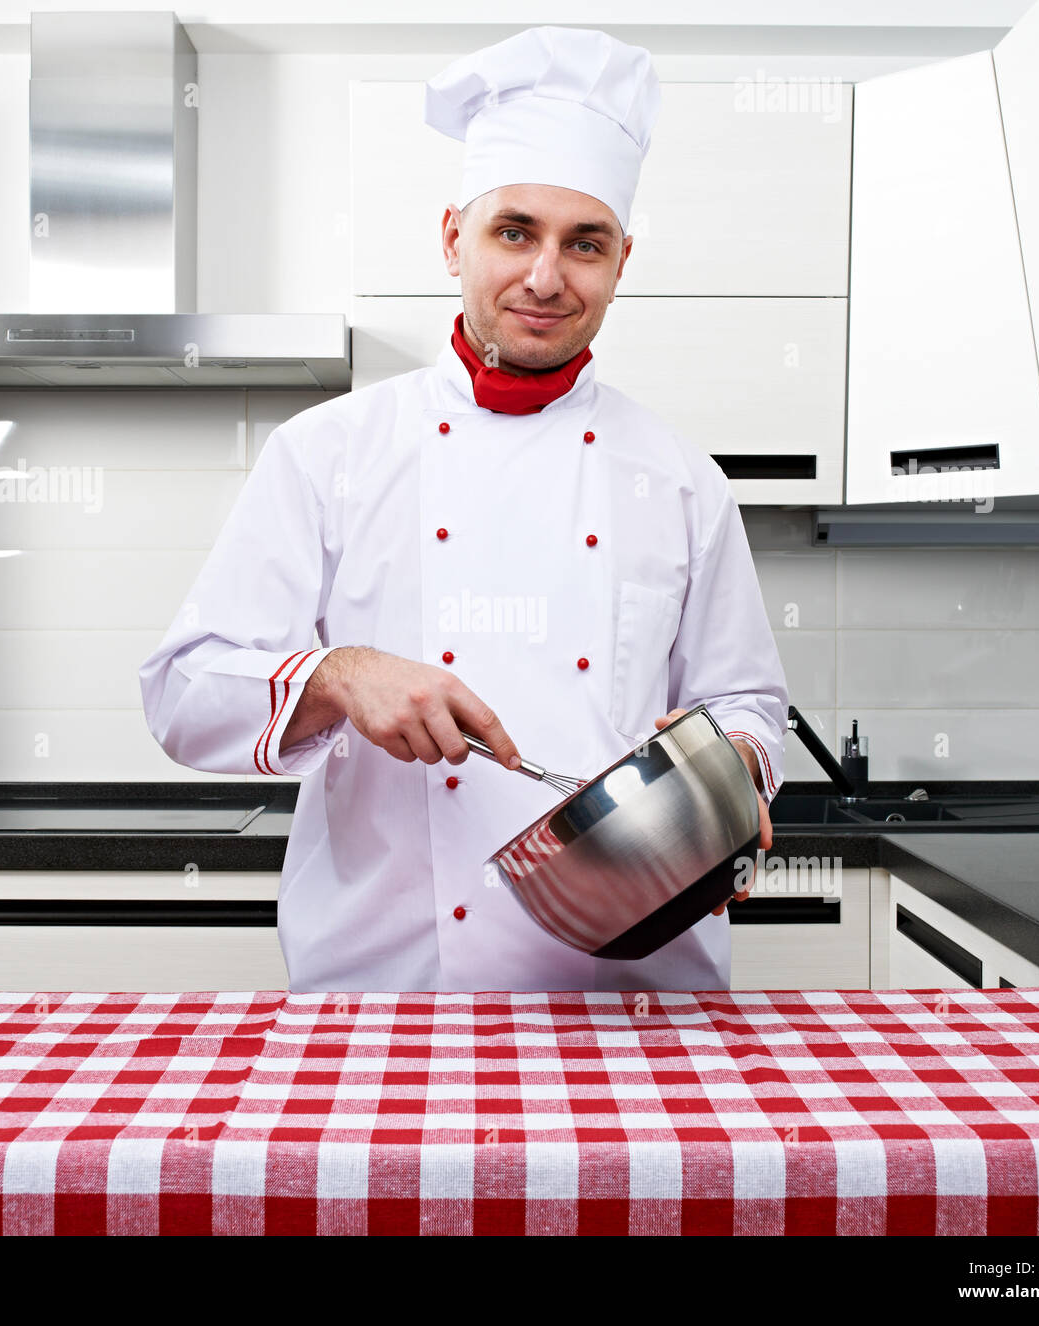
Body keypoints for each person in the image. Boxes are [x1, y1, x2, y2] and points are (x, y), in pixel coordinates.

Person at [139, 26, 788, 993]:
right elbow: (184, 693)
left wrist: (730, 765)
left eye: (585, 244)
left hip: (635, 995)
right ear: (453, 239)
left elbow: (747, 703)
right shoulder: (326, 454)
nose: (545, 277)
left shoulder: (681, 478)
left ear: (621, 262)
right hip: (390, 986)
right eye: (514, 232)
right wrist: (339, 676)